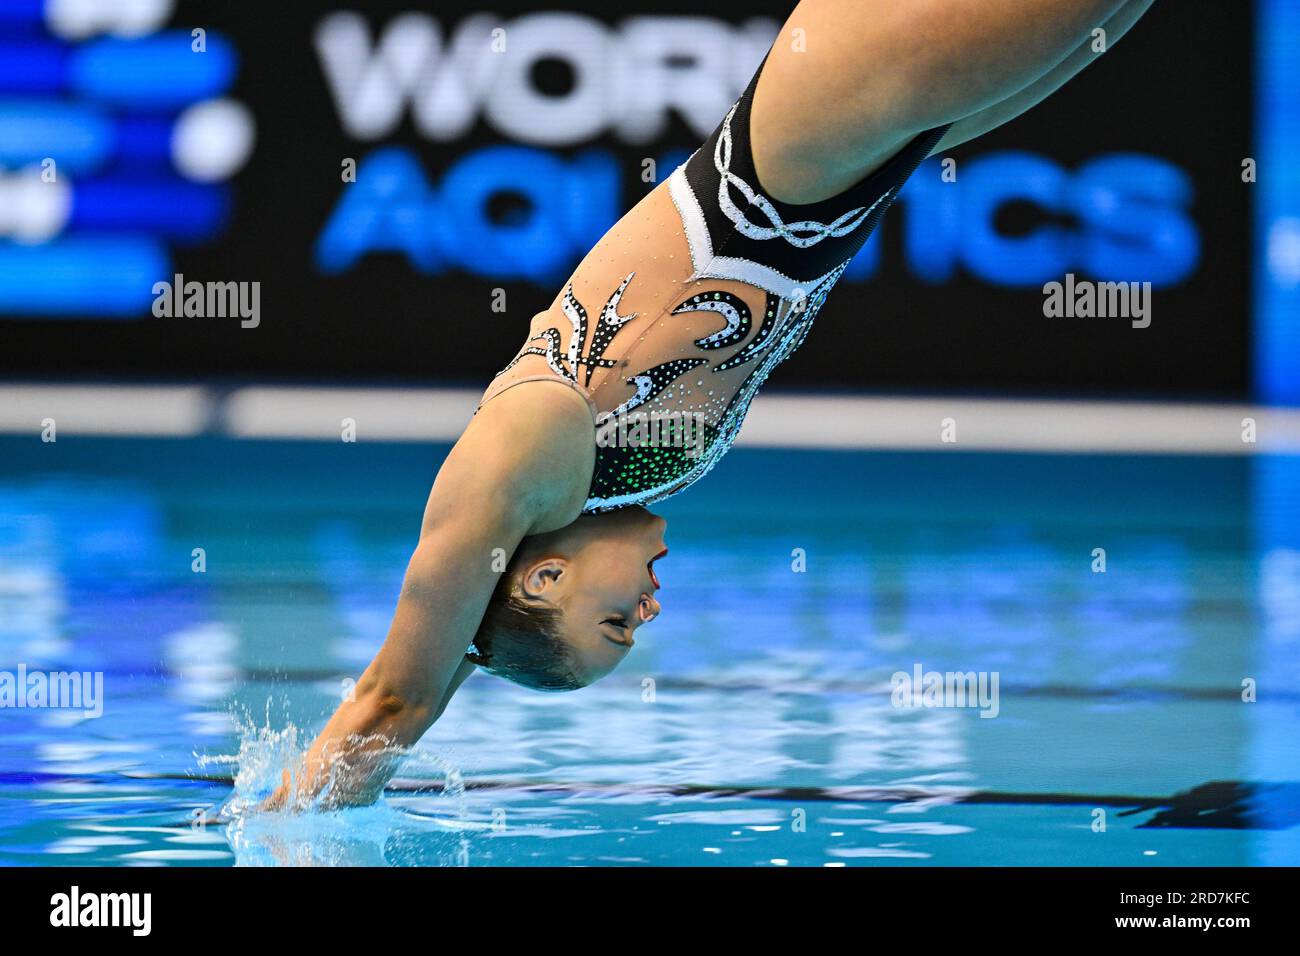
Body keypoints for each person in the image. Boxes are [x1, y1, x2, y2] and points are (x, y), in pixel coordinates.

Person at [273, 0, 1156, 808]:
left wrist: (290, 832)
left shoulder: (531, 451)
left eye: (616, 622)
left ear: (545, 574)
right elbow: (474, 644)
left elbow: (398, 694)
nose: (648, 612)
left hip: (801, 148)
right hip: (860, 171)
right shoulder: (586, 492)